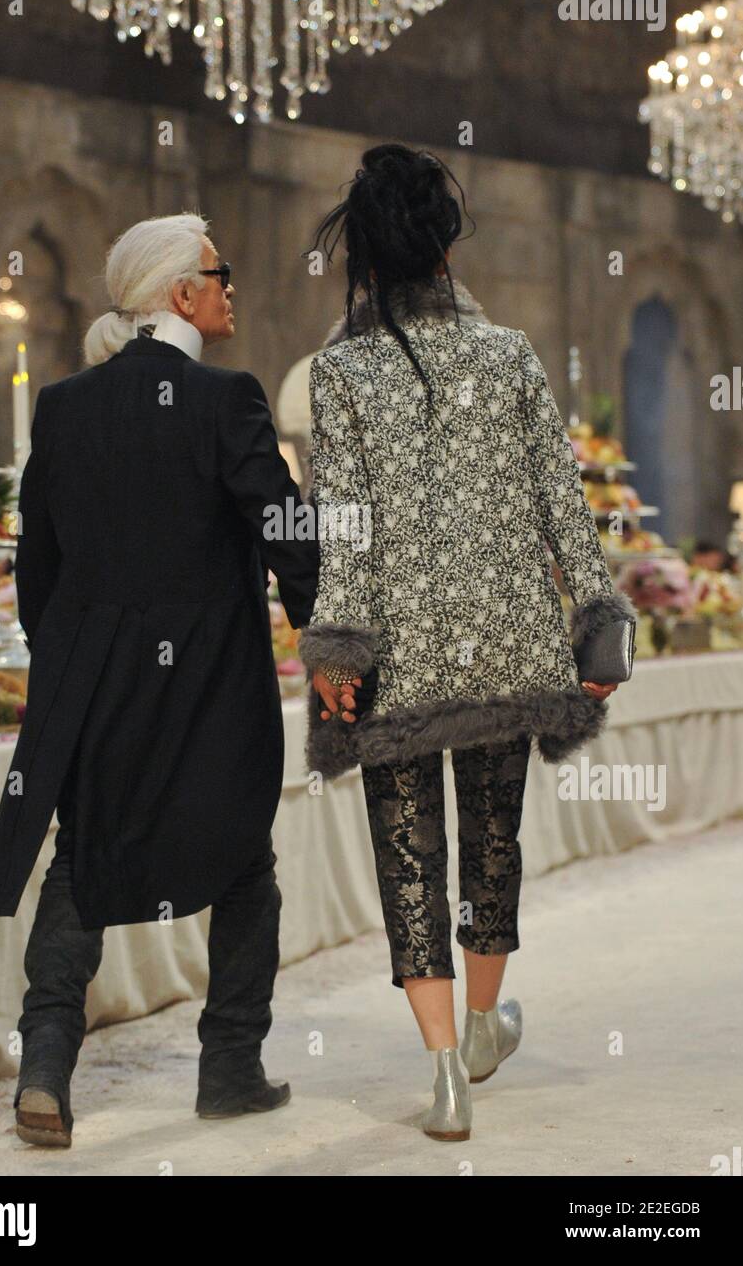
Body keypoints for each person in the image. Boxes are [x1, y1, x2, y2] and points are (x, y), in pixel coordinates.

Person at [299, 144, 635, 1142]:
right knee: (494, 841)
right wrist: (597, 624)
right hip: (507, 646)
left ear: (365, 259)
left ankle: (446, 1073)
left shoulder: (340, 371)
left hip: (396, 652)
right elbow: (563, 507)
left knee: (408, 857)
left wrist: (336, 653)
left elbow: (343, 526)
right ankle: (486, 1025)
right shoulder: (510, 355)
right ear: (446, 248)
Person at [0, 213, 339, 1146]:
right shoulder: (228, 399)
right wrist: (324, 635)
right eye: (222, 274)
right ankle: (230, 1069)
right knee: (243, 865)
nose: (232, 290)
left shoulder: (63, 406)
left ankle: (45, 1070)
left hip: (94, 676)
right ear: (183, 293)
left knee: (83, 859)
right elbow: (283, 529)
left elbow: (36, 565)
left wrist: (71, 657)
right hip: (210, 681)